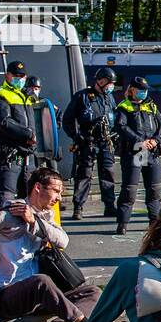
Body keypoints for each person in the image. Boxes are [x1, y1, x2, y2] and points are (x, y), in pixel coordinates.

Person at [0, 165, 100, 322]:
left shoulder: (44, 216)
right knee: (41, 281)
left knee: (92, 291)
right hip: (4, 296)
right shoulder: (12, 213)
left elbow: (63, 241)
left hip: (36, 296)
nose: (59, 198)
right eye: (56, 191)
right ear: (37, 188)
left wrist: (34, 222)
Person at [62, 67, 120, 220]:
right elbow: (67, 119)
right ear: (100, 81)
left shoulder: (110, 98)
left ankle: (109, 205)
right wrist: (76, 137)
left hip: (106, 142)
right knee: (84, 175)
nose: (110, 86)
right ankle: (78, 207)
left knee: (108, 173)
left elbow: (114, 117)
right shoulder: (82, 97)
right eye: (109, 83)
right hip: (88, 142)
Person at [114, 76, 161, 235]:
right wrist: (140, 141)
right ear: (132, 90)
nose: (144, 93)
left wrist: (156, 140)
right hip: (136, 150)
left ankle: (154, 223)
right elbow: (120, 127)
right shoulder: (125, 106)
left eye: (145, 90)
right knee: (130, 190)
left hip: (152, 151)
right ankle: (122, 223)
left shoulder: (151, 106)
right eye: (141, 90)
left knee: (154, 190)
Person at [0, 61, 37, 211]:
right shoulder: (0, 95)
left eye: (22, 76)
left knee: (28, 195)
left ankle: (24, 231)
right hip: (9, 153)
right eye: (15, 75)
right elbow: (3, 122)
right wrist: (28, 133)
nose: (19, 78)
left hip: (27, 153)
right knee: (5, 195)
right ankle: (0, 231)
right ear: (7, 75)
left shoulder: (25, 96)